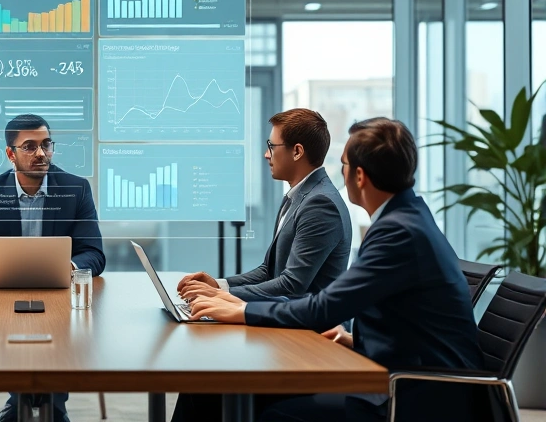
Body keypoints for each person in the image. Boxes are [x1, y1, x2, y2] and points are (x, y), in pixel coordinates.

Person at [184, 118, 486, 422]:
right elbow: (411, 324)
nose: (338, 174)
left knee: (270, 411)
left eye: (343, 165)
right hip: (404, 375)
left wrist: (242, 310)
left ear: (359, 175)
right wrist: (354, 340)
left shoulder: (399, 233)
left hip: (419, 396)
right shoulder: (408, 218)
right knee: (213, 390)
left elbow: (324, 306)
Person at [0, 113, 105, 422]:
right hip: (5, 297)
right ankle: (30, 403)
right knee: (11, 330)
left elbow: (94, 254)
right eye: (29, 146)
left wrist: (64, 266)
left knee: (59, 333)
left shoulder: (76, 189)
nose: (41, 153)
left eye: (46, 144)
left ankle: (41, 406)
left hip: (60, 294)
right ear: (11, 154)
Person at [177, 109, 351, 302]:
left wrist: (220, 296)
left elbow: (292, 285)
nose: (266, 154)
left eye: (272, 146)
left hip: (314, 331)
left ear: (297, 151)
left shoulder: (320, 204)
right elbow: (269, 271)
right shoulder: (298, 197)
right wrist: (218, 285)